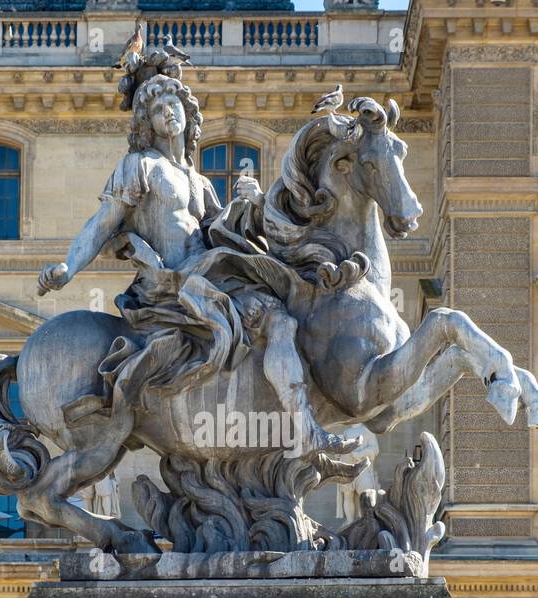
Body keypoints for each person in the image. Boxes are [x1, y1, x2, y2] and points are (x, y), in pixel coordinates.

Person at [38, 71, 348, 458]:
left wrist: (251, 202)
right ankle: (303, 430)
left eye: (173, 105)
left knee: (286, 308)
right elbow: (101, 223)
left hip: (211, 274)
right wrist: (68, 268)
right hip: (172, 285)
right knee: (279, 322)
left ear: (187, 113)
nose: (167, 113)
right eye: (156, 110)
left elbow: (224, 231)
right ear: (146, 125)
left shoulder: (200, 182)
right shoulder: (139, 166)